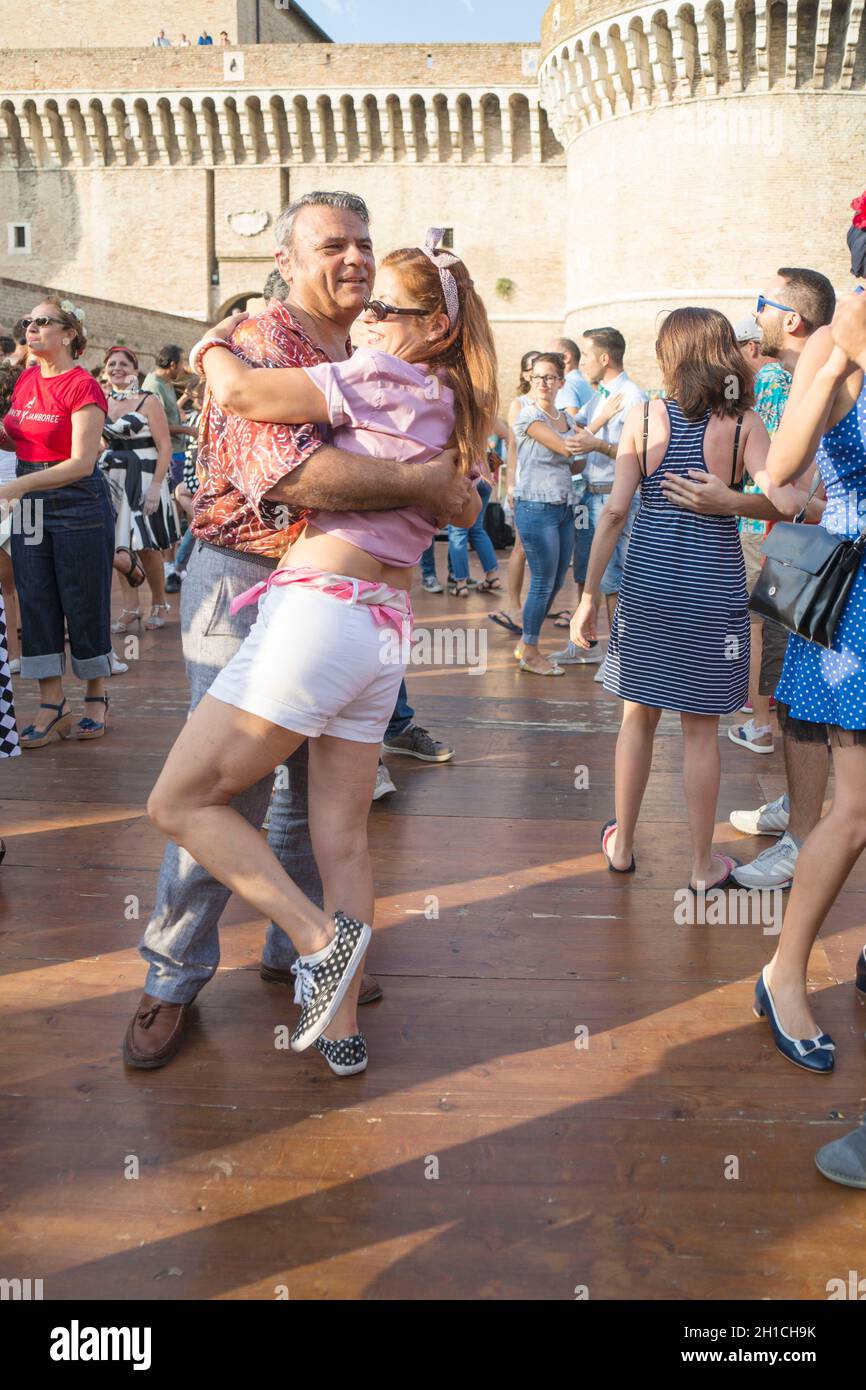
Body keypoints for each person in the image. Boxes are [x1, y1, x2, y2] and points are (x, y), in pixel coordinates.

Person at [122, 191, 471, 1071]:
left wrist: (438, 488)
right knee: (225, 793)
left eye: (363, 245)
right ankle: (174, 976)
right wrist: (426, 488)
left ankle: (311, 962)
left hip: (326, 598)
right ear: (286, 261)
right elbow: (297, 479)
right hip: (246, 579)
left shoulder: (361, 353)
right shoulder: (265, 340)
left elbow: (445, 489)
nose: (353, 261)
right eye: (332, 247)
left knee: (299, 806)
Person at [571, 307, 811, 890]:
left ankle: (623, 845)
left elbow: (615, 514)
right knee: (701, 731)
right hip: (713, 590)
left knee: (637, 717)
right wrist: (729, 500)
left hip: (648, 587)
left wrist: (585, 598)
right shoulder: (747, 423)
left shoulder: (644, 418)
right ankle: (703, 866)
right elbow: (786, 503)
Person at [753, 196, 866, 1076]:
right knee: (854, 811)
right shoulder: (832, 350)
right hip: (860, 600)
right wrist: (836, 362)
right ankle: (784, 972)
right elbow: (778, 468)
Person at [0, 295, 114, 744]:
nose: (31, 327)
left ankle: (95, 698)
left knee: (83, 600)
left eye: (43, 321)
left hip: (77, 501)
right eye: (28, 321)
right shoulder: (27, 379)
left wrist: (15, 488)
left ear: (69, 334)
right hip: (31, 499)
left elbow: (83, 462)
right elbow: (17, 442)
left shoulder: (82, 385)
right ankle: (53, 704)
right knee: (36, 599)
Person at [554, 327, 646, 669]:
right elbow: (573, 430)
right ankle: (599, 648)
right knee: (599, 577)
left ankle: (621, 657)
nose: (581, 364)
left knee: (620, 580)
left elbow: (640, 455)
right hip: (592, 496)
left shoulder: (633, 397)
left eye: (588, 357)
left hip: (616, 498)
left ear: (605, 358)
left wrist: (597, 444)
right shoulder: (599, 396)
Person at [511, 352, 583, 675]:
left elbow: (577, 462)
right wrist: (597, 424)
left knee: (556, 581)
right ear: (529, 379)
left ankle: (527, 641)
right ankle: (530, 651)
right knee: (541, 580)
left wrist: (584, 443)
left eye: (550, 377)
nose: (542, 383)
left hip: (564, 506)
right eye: (537, 377)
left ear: (561, 382)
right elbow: (568, 449)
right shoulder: (528, 416)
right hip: (535, 506)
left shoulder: (566, 420)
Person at [99, 346, 178, 632]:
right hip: (112, 476)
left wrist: (156, 486)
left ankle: (158, 602)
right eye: (111, 364)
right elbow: (102, 442)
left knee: (146, 544)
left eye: (123, 363)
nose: (117, 368)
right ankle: (130, 608)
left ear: (134, 368)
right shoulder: (102, 400)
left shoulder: (148, 400)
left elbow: (165, 446)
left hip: (145, 476)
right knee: (119, 544)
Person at [487, 349, 539, 635]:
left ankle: (534, 606)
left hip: (550, 487)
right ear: (523, 374)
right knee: (521, 547)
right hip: (525, 484)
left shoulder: (552, 404)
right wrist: (511, 484)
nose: (535, 373)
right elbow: (513, 446)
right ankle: (514, 605)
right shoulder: (519, 405)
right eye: (530, 368)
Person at [0, 361, 22, 672]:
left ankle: (16, 653)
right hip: (26, 503)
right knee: (16, 584)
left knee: (10, 584)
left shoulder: (15, 425)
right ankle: (17, 653)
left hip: (22, 503)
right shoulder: (21, 421)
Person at [549, 336, 593, 417]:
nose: (546, 361)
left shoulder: (565, 384)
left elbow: (572, 422)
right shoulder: (585, 381)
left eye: (550, 357)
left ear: (566, 358)